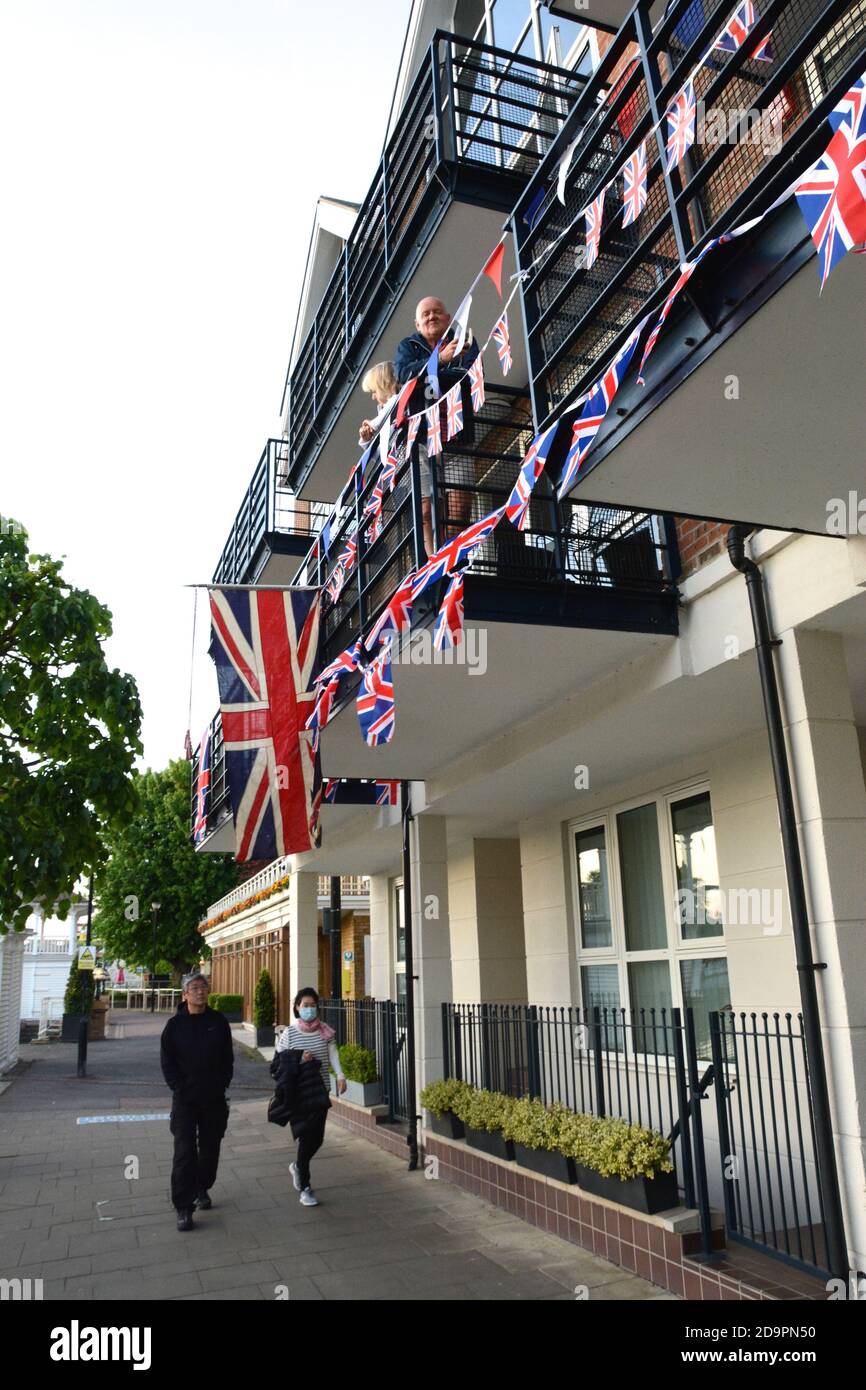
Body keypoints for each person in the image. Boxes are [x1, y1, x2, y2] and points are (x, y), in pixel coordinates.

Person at [393, 297, 480, 536]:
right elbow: (403, 376)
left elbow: (471, 376)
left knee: (460, 508)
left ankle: (450, 554)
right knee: (426, 511)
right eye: (426, 314)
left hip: (458, 434)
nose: (431, 316)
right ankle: (434, 558)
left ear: (448, 318)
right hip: (422, 438)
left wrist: (426, 376)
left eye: (437, 312)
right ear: (417, 324)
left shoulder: (463, 340)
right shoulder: (408, 346)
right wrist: (441, 361)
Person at [160, 971, 233, 1232]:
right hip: (185, 1101)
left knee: (210, 1149)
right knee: (184, 1152)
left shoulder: (218, 1021)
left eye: (203, 987)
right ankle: (183, 1207)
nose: (200, 991)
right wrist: (179, 1087)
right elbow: (167, 1062)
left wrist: (222, 1082)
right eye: (194, 988)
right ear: (185, 995)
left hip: (213, 1098)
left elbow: (227, 1057)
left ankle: (202, 1187)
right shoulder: (174, 1026)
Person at [270, 987, 346, 1207]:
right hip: (298, 1094)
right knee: (305, 1137)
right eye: (305, 1005)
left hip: (320, 1092)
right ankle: (305, 1187)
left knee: (317, 1138)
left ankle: (297, 1166)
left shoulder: (325, 1031)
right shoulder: (289, 1033)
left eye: (313, 1005)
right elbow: (277, 1064)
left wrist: (341, 1076)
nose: (309, 1009)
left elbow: (333, 1055)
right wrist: (299, 1059)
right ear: (297, 1007)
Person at [359, 360, 434, 557]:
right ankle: (424, 557)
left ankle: (433, 556)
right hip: (399, 473)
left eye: (374, 391)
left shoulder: (399, 400)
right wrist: (367, 442)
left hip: (415, 458)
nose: (373, 397)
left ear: (384, 384)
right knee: (412, 518)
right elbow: (383, 456)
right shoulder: (382, 415)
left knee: (426, 509)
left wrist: (374, 423)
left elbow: (395, 402)